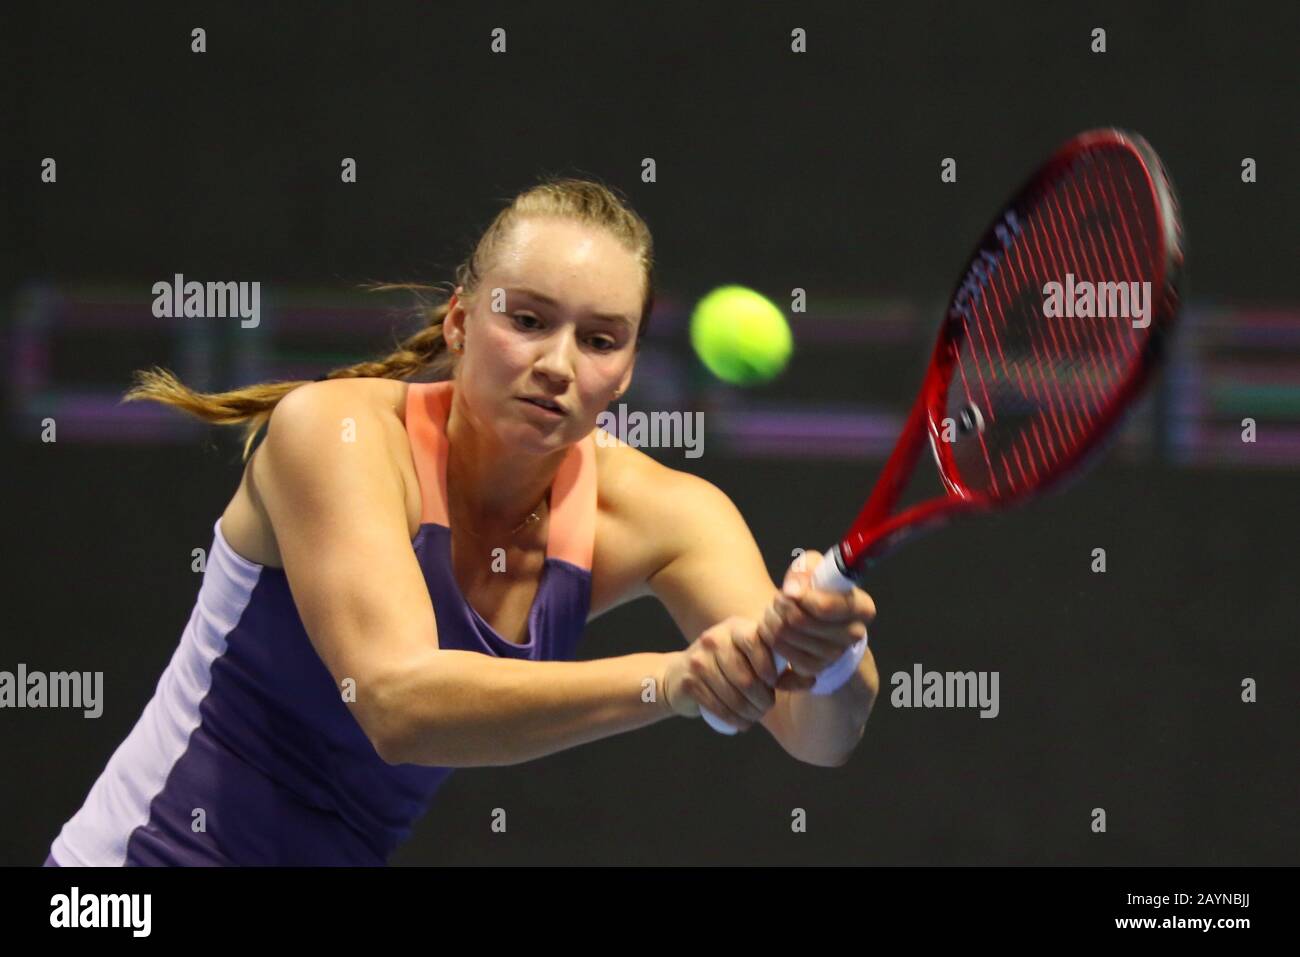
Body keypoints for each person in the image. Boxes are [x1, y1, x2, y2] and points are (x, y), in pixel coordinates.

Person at [44, 178, 879, 866]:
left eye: (598, 339)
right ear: (459, 320)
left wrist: (831, 652)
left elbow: (818, 736)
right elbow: (398, 703)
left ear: (624, 372)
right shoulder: (334, 433)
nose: (556, 364)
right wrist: (675, 679)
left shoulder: (664, 514)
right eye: (527, 320)